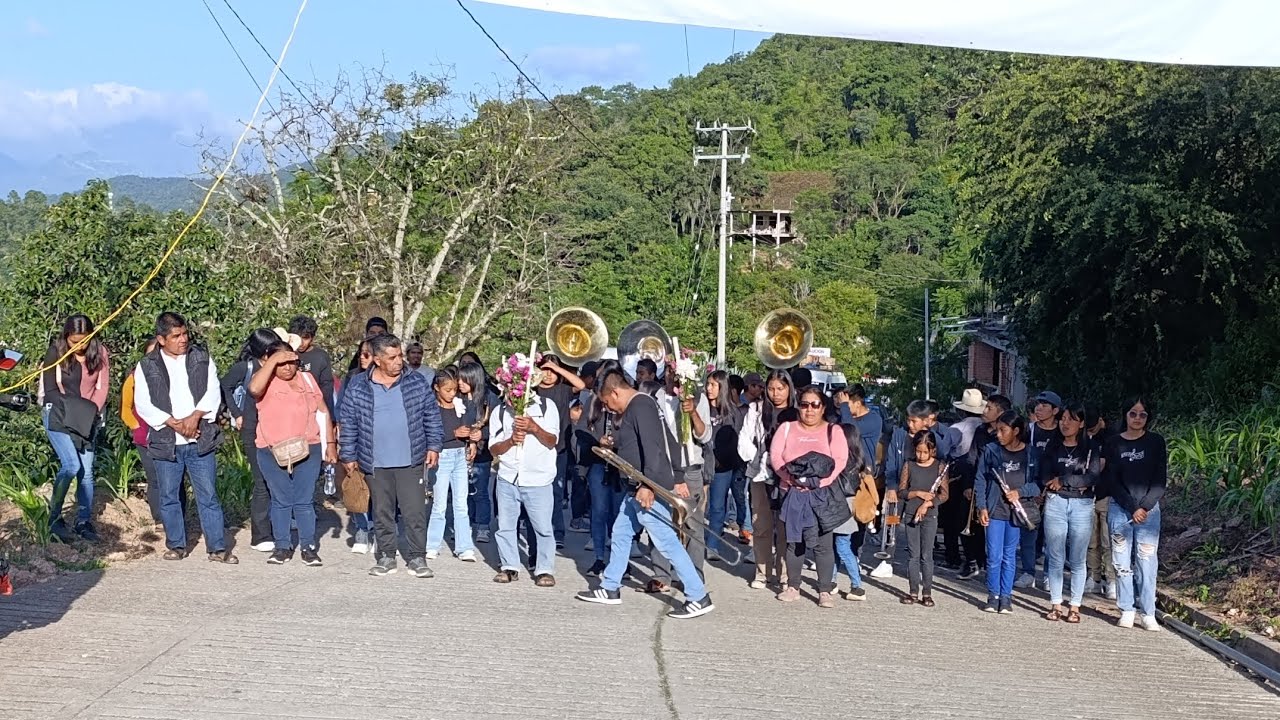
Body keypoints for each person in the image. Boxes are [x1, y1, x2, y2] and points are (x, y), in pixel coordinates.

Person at [577, 369, 715, 619]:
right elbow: (666, 441)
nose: (608, 408)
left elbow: (653, 448)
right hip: (636, 486)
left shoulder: (641, 405)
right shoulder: (642, 406)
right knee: (621, 532)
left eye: (608, 402)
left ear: (615, 392)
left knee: (667, 541)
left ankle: (698, 595)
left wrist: (648, 485)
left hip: (646, 487)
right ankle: (610, 587)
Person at [133, 312, 237, 564]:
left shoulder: (201, 358)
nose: (183, 340)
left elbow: (213, 391)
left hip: (199, 439)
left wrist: (195, 417)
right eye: (176, 336)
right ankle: (176, 545)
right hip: (167, 441)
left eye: (184, 334)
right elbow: (143, 403)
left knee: (208, 495)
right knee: (169, 496)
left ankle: (217, 548)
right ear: (161, 339)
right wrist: (174, 423)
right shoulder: (146, 365)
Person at [338, 334, 443, 578]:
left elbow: (432, 416)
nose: (399, 362)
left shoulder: (416, 382)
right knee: (382, 512)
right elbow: (349, 422)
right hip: (374, 462)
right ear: (376, 359)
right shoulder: (358, 385)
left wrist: (434, 446)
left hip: (411, 460)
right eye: (392, 357)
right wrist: (348, 454)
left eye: (400, 356)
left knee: (414, 511)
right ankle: (386, 556)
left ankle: (417, 557)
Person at [249, 340, 334, 566]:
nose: (287, 367)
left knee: (304, 501)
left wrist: (331, 444)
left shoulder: (307, 379)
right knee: (281, 500)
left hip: (308, 447)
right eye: (282, 362)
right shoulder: (264, 381)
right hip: (270, 450)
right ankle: (282, 546)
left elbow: (323, 411)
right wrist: (273, 361)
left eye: (292, 362)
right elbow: (253, 390)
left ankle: (308, 547)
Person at [771, 385, 849, 608]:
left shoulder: (833, 431)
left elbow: (840, 461)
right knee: (794, 542)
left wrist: (818, 482)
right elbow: (776, 456)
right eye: (804, 405)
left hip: (822, 495)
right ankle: (793, 586)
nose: (809, 410)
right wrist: (790, 478)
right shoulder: (787, 428)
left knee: (823, 544)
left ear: (823, 407)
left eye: (815, 405)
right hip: (792, 493)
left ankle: (825, 590)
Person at [39, 314, 110, 543]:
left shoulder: (100, 353)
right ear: (66, 337)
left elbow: (102, 388)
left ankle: (83, 520)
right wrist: (74, 411)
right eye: (74, 341)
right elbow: (50, 389)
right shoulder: (56, 352)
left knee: (86, 472)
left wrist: (89, 413)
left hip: (88, 416)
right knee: (70, 465)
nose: (79, 346)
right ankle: (54, 517)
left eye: (84, 340)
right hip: (59, 413)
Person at [489, 369, 561, 587]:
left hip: (538, 478)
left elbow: (552, 440)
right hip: (509, 476)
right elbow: (494, 448)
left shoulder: (547, 407)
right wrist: (511, 440)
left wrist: (533, 428)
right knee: (506, 526)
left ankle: (544, 569)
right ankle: (509, 566)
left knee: (543, 527)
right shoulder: (500, 411)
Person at [1104, 397, 1166, 631]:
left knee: (1147, 562)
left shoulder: (1156, 442)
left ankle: (1147, 611)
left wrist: (1145, 507)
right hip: (1120, 509)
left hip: (1149, 511)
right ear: (1125, 415)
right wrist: (1132, 507)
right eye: (1133, 413)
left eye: (1142, 414)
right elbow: (1111, 479)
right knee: (1121, 561)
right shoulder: (1113, 443)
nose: (1137, 418)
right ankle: (1126, 608)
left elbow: (1160, 480)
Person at [649, 361, 712, 593]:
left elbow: (704, 436)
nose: (672, 375)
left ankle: (694, 575)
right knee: (659, 522)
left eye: (676, 372)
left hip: (690, 468)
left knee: (693, 526)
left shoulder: (699, 398)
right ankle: (661, 574)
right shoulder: (653, 398)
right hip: (661, 470)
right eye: (668, 370)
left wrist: (692, 410)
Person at [220, 328, 284, 553]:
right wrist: (237, 413)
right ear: (264, 352)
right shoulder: (246, 368)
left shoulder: (279, 368)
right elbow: (225, 386)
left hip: (276, 430)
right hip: (252, 429)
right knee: (262, 482)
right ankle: (261, 535)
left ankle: (278, 528)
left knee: (278, 482)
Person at [1040, 400, 1102, 624]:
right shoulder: (1052, 446)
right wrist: (1067, 483)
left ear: (1082, 423)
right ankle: (1056, 603)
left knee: (1077, 558)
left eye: (1071, 419)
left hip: (1082, 504)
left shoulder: (1091, 448)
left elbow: (1092, 477)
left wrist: (1064, 480)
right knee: (1055, 556)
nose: (1065, 423)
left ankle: (1075, 605)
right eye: (1062, 419)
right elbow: (1045, 477)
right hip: (1056, 503)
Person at [737, 369, 797, 588]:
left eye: (780, 388)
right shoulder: (756, 409)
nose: (775, 393)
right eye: (771, 388)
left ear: (789, 389)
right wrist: (759, 459)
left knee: (784, 526)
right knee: (761, 523)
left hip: (788, 477)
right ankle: (762, 572)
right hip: (761, 472)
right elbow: (744, 439)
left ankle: (783, 574)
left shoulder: (796, 413)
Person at [522, 354, 585, 556]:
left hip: (559, 449)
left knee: (555, 492)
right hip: (533, 448)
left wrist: (557, 369)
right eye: (544, 370)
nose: (548, 375)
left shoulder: (563, 390)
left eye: (552, 371)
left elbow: (581, 384)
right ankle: (532, 527)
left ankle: (557, 532)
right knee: (532, 490)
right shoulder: (532, 390)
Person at [976, 410, 1037, 614]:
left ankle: (1006, 596)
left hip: (1016, 512)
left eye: (1003, 430)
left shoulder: (1030, 453)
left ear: (1016, 431)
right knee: (993, 555)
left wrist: (1020, 492)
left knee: (1009, 555)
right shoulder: (991, 450)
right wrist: (981, 506)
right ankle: (992, 595)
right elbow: (980, 479)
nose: (998, 434)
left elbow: (1038, 483)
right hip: (995, 510)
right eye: (997, 430)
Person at [122, 338, 185, 526]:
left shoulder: (175, 374)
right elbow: (125, 408)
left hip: (173, 435)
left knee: (177, 479)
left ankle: (179, 519)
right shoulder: (134, 377)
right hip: (145, 439)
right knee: (156, 479)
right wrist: (137, 427)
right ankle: (160, 520)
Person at [426, 366, 478, 562]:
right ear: (437, 388)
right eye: (447, 390)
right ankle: (432, 544)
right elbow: (429, 435)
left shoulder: (461, 405)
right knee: (439, 504)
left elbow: (468, 426)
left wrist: (472, 440)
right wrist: (454, 434)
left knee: (461, 503)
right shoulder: (432, 408)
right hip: (442, 456)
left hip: (459, 455)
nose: (452, 394)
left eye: (454, 389)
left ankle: (464, 546)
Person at [899, 430, 949, 606]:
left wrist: (928, 503)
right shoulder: (909, 465)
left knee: (927, 556)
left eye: (925, 452)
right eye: (918, 451)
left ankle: (927, 592)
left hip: (930, 515)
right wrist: (918, 494)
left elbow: (944, 495)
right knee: (913, 555)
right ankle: (913, 591)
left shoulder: (939, 466)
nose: (921, 455)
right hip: (912, 513)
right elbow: (902, 492)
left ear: (932, 450)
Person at [1019, 390, 1061, 589]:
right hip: (1030, 487)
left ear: (1055, 410)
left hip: (1054, 488)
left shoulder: (1062, 432)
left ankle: (1049, 574)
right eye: (1038, 404)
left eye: (1045, 405)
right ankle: (1027, 572)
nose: (1039, 408)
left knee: (1053, 536)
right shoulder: (1029, 430)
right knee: (1029, 531)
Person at [338, 335, 376, 554]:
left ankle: (380, 532)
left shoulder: (391, 380)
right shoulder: (352, 378)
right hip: (357, 441)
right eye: (360, 353)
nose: (362, 358)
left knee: (380, 492)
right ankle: (361, 530)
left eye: (367, 354)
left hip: (380, 443)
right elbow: (342, 410)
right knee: (357, 488)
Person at [703, 370, 747, 556]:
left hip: (723, 467)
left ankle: (713, 544)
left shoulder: (732, 412)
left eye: (714, 385)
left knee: (718, 507)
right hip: (702, 463)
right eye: (708, 384)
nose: (709, 389)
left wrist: (723, 461)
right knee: (700, 505)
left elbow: (735, 441)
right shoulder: (702, 407)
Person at [457, 360, 496, 543]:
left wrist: (482, 434)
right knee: (462, 492)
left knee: (480, 491)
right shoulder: (458, 399)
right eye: (459, 380)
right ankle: (465, 524)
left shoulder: (489, 399)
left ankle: (482, 525)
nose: (460, 384)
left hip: (481, 453)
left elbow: (498, 427)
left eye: (465, 380)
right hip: (459, 450)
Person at [831, 423, 870, 601]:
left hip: (843, 505)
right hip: (850, 505)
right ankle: (831, 581)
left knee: (842, 545)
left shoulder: (844, 462)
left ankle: (857, 586)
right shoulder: (859, 461)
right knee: (836, 544)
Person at [1085, 407, 1117, 599]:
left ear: (1100, 421)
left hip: (1106, 494)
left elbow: (1101, 464)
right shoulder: (1084, 437)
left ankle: (1111, 579)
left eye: (1092, 428)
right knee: (1091, 541)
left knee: (1108, 541)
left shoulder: (1111, 438)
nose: (1089, 432)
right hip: (1088, 496)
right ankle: (1094, 577)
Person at [288, 315, 335, 415]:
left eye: (305, 338)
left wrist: (330, 417)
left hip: (314, 410)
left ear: (312, 338)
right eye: (297, 338)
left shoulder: (321, 357)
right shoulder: (285, 354)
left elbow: (327, 389)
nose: (300, 343)